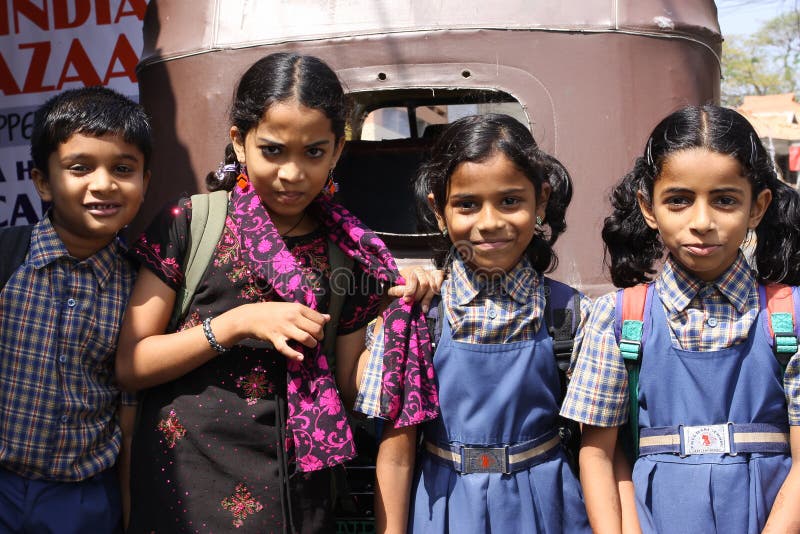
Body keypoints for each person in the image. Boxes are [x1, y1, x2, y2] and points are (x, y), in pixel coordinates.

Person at [116, 52, 437, 533]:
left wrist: (400, 310)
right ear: (239, 143)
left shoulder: (346, 251)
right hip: (184, 493)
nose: (292, 173)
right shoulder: (191, 225)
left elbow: (352, 387)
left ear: (337, 151)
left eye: (313, 152)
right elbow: (131, 365)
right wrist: (238, 322)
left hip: (298, 497)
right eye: (272, 150)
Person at [561, 105, 800, 533]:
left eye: (725, 200)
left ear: (758, 206)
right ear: (648, 207)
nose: (702, 222)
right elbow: (599, 453)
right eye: (679, 200)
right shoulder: (617, 320)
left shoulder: (790, 318)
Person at [356, 113, 592, 533]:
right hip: (442, 507)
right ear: (439, 210)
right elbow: (396, 452)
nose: (489, 222)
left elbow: (598, 444)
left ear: (541, 201)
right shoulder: (417, 316)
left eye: (509, 201)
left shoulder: (570, 314)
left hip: (546, 507)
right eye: (467, 204)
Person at [0, 86, 151, 532]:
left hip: (83, 501)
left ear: (146, 180)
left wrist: (127, 514)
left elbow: (128, 423)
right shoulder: (9, 260)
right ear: (43, 181)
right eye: (79, 168)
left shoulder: (141, 288)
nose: (103, 184)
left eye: (124, 169)